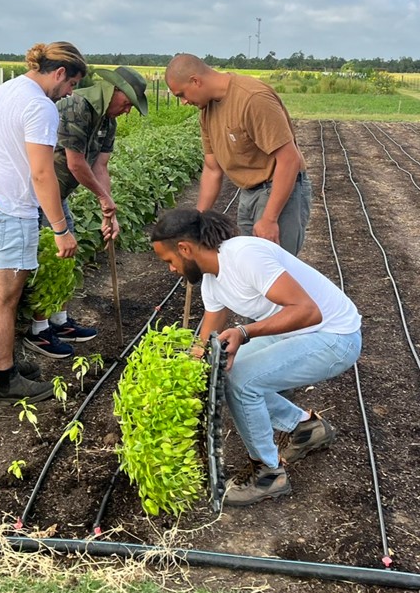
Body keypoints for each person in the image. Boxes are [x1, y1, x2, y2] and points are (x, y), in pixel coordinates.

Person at [150, 208, 362, 506]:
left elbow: (307, 311)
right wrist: (190, 366)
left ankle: (268, 474)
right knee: (221, 371)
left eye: (169, 261)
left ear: (184, 249)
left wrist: (245, 332)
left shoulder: (243, 255)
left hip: (335, 337)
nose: (171, 269)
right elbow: (207, 337)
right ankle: (305, 428)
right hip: (298, 333)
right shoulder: (212, 280)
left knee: (244, 382)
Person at [0, 41, 87, 403]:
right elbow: (43, 174)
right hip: (6, 210)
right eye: (71, 85)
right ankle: (5, 378)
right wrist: (61, 229)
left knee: (4, 296)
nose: (68, 93)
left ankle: (7, 363)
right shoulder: (39, 106)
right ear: (60, 73)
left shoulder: (8, 89)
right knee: (4, 297)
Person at [24, 66, 150, 358]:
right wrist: (102, 197)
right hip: (36, 194)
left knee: (67, 255)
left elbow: (99, 167)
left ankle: (59, 321)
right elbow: (75, 163)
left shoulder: (108, 121)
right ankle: (39, 330)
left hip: (59, 194)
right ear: (113, 91)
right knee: (51, 257)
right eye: (127, 102)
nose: (127, 110)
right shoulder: (75, 106)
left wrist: (109, 212)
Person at [164, 53, 312, 256]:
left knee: (273, 268)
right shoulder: (207, 111)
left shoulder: (252, 98)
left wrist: (269, 218)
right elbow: (212, 168)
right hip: (248, 192)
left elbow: (289, 159)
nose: (183, 101)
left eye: (181, 94)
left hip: (279, 188)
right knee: (249, 267)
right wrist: (197, 221)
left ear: (195, 81)